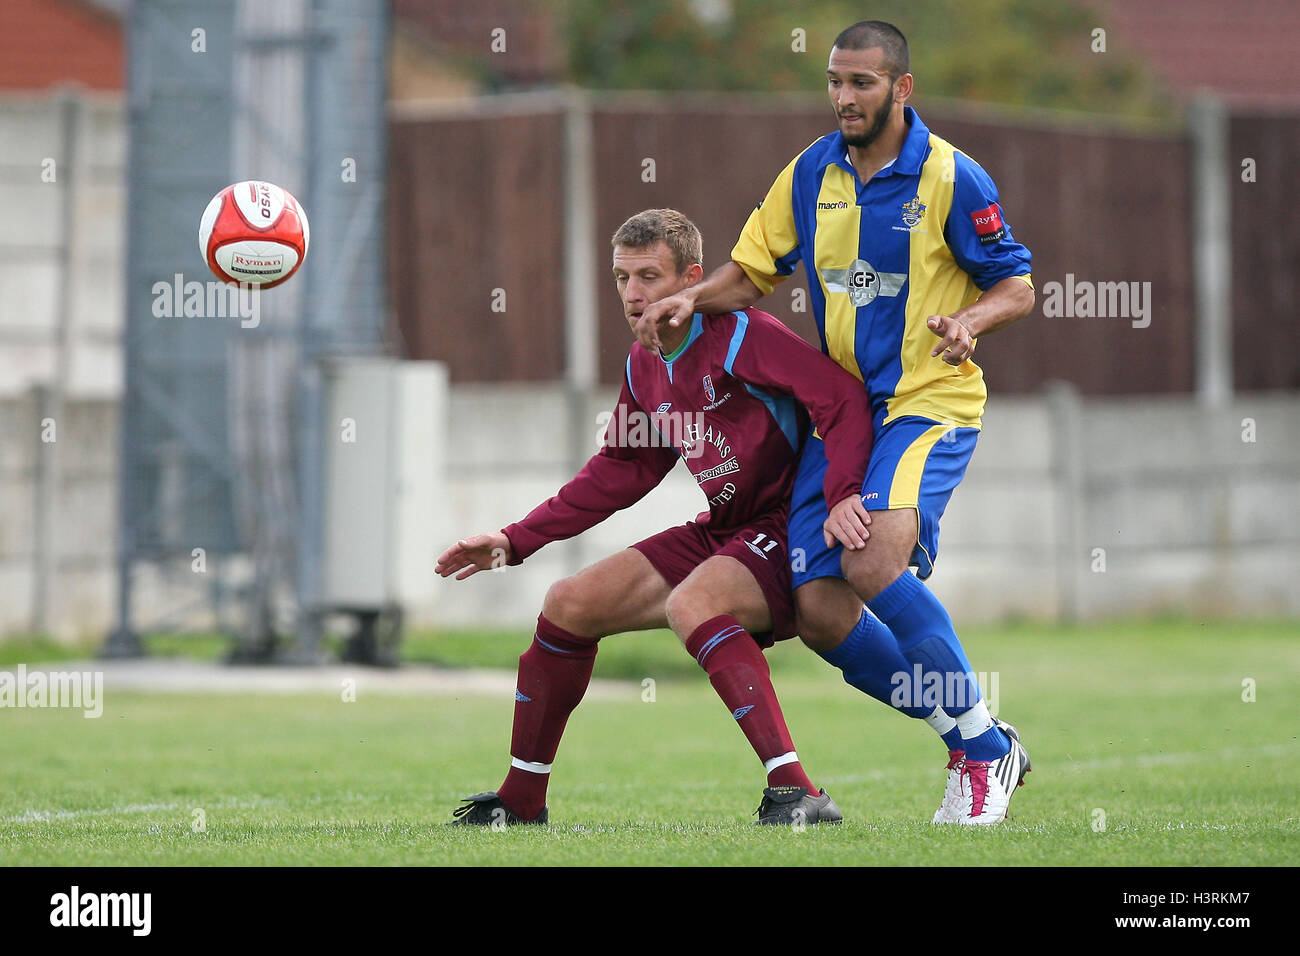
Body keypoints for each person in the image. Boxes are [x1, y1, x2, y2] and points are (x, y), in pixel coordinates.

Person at [637, 21, 1035, 825]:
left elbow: (1017, 285)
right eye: (835, 82)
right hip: (848, 415)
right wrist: (689, 297)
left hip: (929, 402)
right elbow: (750, 272)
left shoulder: (953, 177)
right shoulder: (811, 171)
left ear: (902, 88)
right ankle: (978, 731)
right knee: (819, 609)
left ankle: (984, 754)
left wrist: (972, 322)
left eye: (862, 83)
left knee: (875, 553)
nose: (845, 98)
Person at [435, 208, 877, 826]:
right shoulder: (645, 363)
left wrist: (844, 494)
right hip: (726, 525)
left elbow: (842, 398)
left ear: (692, 278)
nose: (633, 294)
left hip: (787, 524)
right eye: (621, 279)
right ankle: (521, 798)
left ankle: (796, 790)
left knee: (693, 605)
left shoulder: (743, 334)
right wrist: (515, 539)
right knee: (568, 603)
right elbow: (623, 468)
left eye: (649, 276)